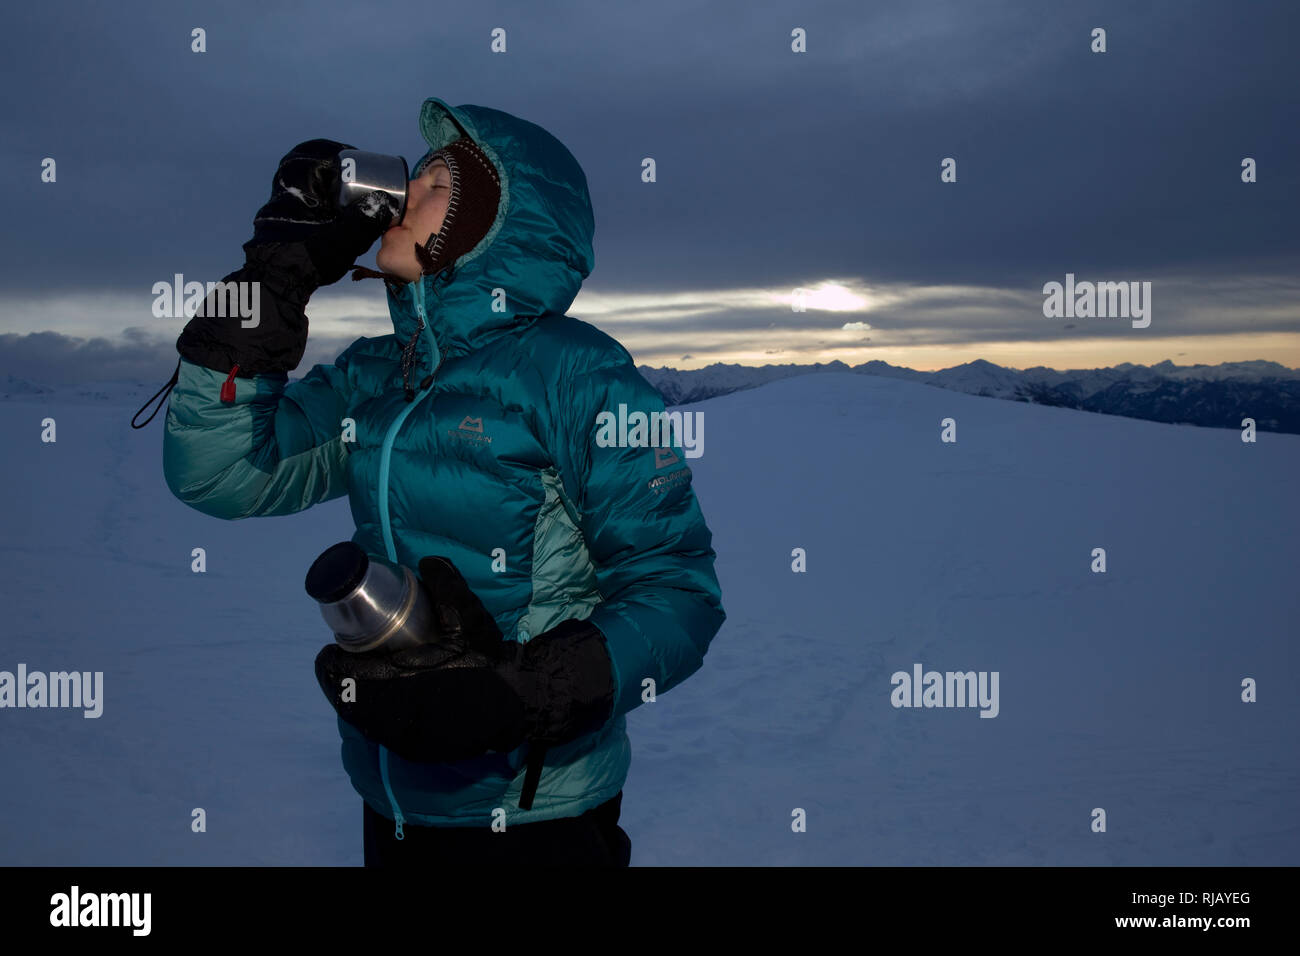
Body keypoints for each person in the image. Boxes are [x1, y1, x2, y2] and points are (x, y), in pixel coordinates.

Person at [143, 97, 726, 866]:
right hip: (390, 792)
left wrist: (527, 695)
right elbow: (221, 475)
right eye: (407, 182)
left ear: (492, 224)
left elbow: (677, 593)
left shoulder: (577, 373)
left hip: (535, 812)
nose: (400, 201)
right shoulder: (377, 374)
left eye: (436, 187)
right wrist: (276, 275)